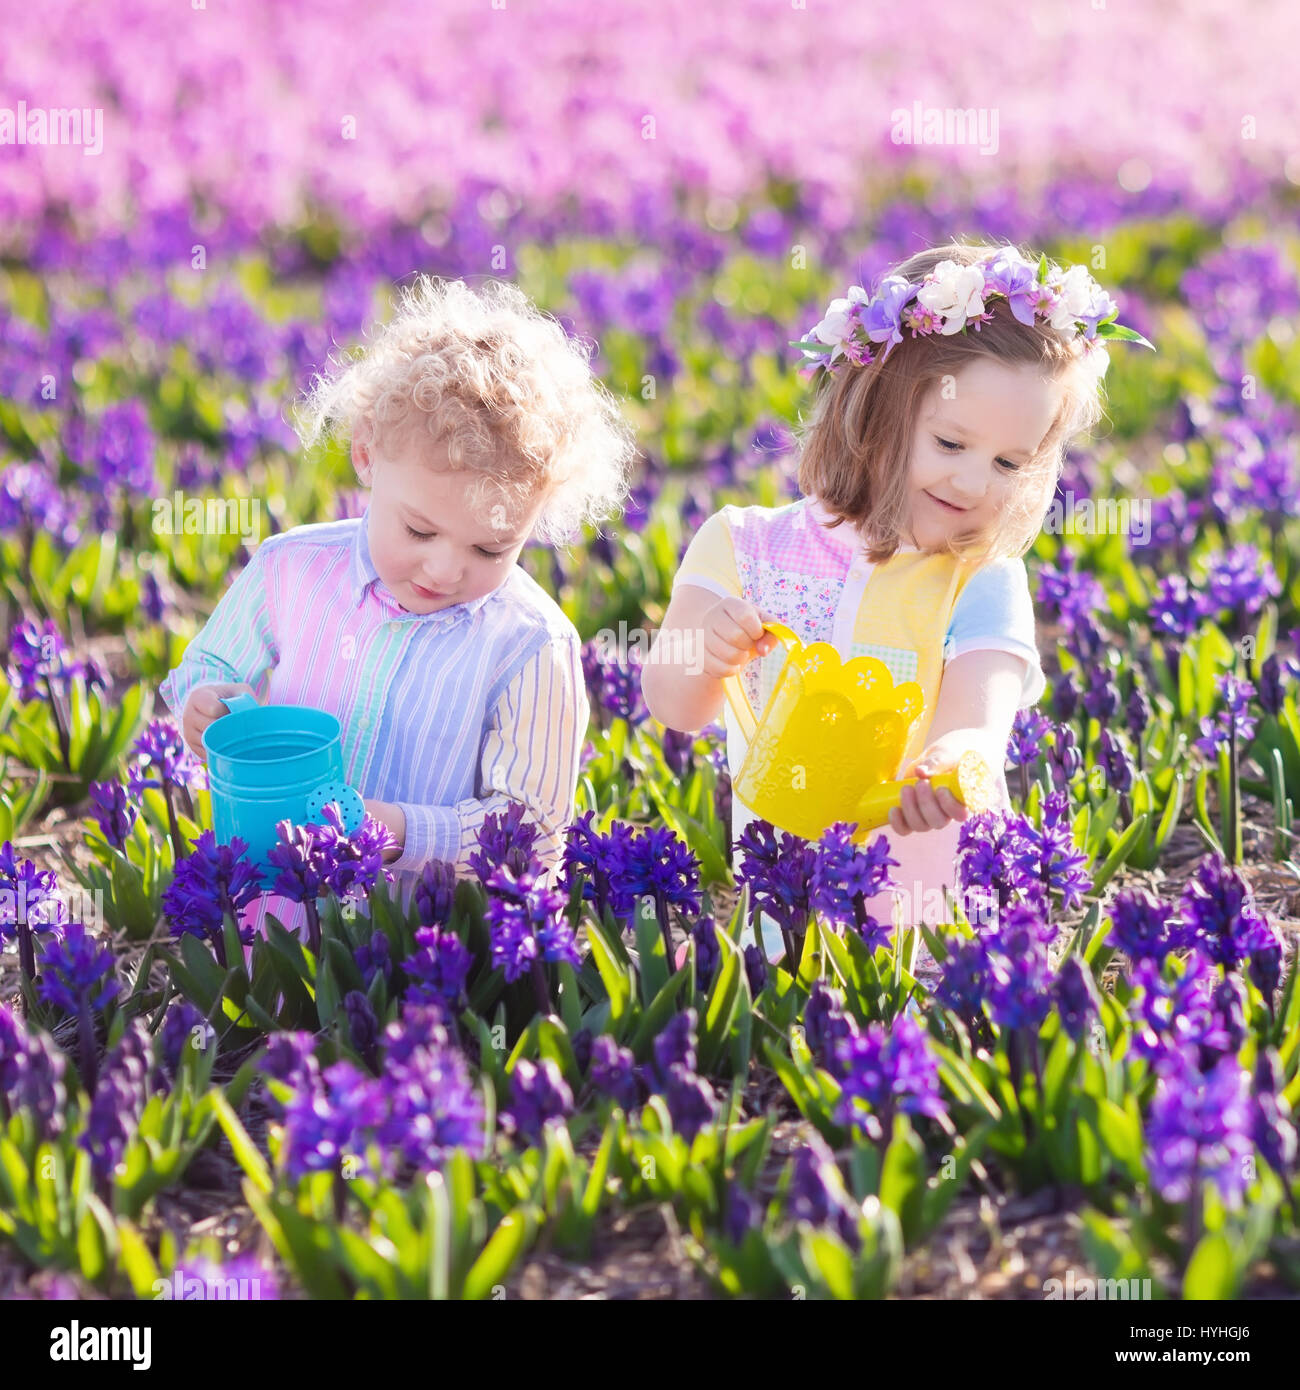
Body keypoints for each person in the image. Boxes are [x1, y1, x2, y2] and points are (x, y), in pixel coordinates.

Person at [642, 239, 1151, 967]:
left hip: (929, 892)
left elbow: (981, 721)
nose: (975, 483)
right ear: (874, 406)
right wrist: (707, 651)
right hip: (782, 882)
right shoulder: (740, 546)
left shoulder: (983, 579)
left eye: (1010, 462)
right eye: (951, 442)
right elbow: (673, 705)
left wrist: (950, 765)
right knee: (786, 1028)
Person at [159, 274, 636, 941]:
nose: (444, 569)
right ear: (366, 454)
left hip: (420, 948)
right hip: (269, 926)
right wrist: (201, 698)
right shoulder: (289, 569)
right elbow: (207, 661)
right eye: (418, 530)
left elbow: (533, 830)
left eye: (492, 547)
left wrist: (396, 832)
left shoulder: (530, 644)